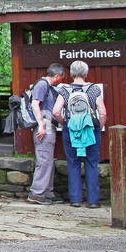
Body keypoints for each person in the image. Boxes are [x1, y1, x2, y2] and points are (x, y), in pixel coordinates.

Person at [52, 61, 107, 208]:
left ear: (71, 73)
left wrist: (65, 124)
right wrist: (97, 128)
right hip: (90, 131)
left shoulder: (64, 90)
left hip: (71, 131)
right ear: (86, 73)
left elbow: (56, 111)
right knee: (91, 163)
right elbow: (103, 112)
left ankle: (75, 200)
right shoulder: (93, 89)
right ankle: (93, 201)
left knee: (73, 163)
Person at [27, 62, 68, 204]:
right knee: (44, 160)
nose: (62, 80)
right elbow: (34, 104)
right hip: (44, 126)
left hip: (48, 126)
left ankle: (47, 192)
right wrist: (41, 125)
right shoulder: (42, 84)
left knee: (48, 161)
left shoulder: (47, 86)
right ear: (57, 76)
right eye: (62, 77)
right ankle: (36, 193)